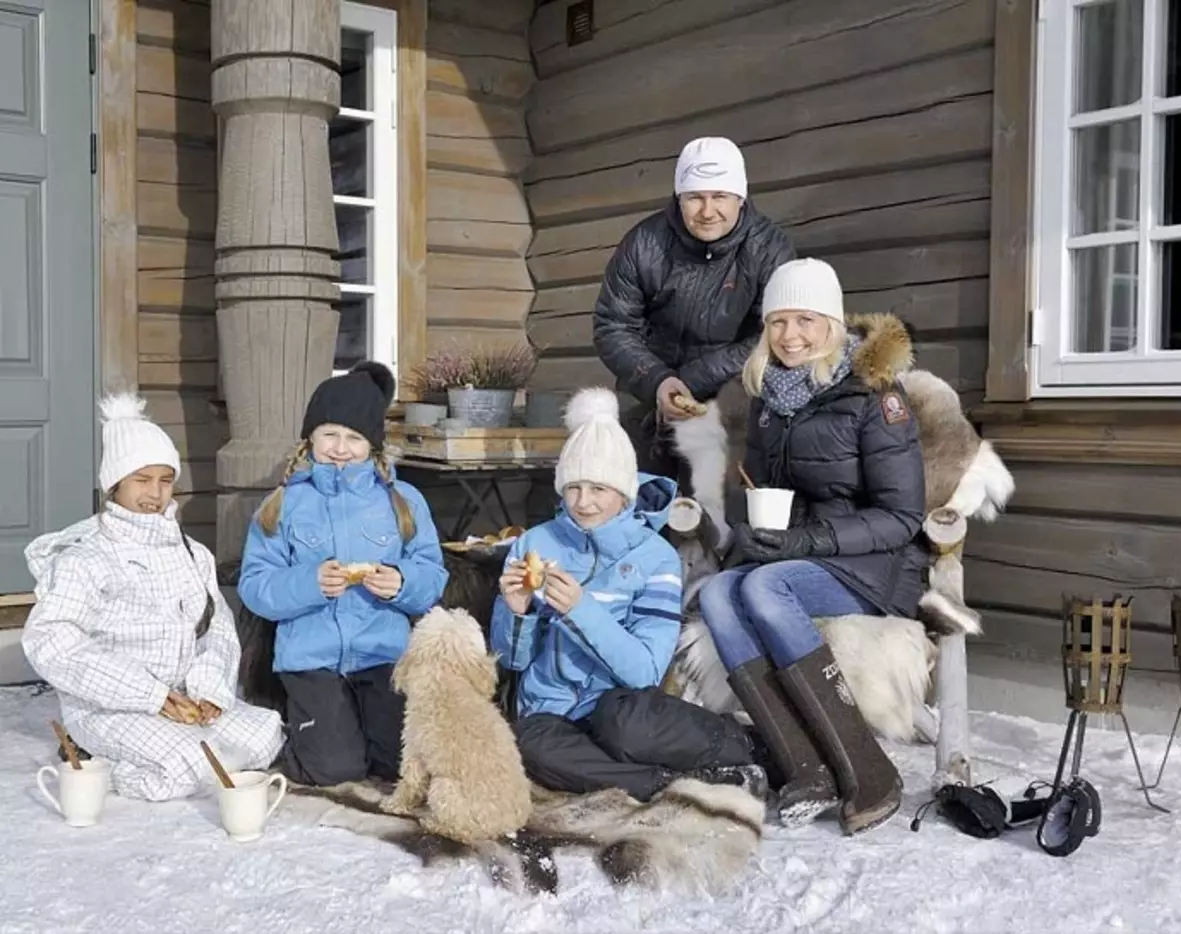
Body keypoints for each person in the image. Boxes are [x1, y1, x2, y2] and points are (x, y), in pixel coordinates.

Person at [698, 258, 927, 835]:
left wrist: (809, 538)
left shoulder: (875, 397)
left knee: (763, 585)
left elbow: (902, 516)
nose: (789, 336)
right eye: (777, 322)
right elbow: (762, 489)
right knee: (721, 591)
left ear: (831, 322)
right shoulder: (770, 398)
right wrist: (753, 531)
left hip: (872, 566)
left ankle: (868, 769)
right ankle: (804, 766)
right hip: (800, 557)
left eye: (804, 320)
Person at [491, 387, 765, 802]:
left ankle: (744, 747)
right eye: (574, 488)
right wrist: (515, 614)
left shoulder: (655, 557)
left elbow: (645, 672)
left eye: (598, 489)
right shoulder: (536, 543)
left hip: (620, 705)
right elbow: (512, 660)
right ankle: (663, 785)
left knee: (623, 725)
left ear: (624, 492)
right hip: (551, 711)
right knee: (528, 744)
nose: (584, 503)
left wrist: (581, 610)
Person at [22, 393, 283, 801]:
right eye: (141, 480)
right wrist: (151, 696)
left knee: (266, 736)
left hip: (182, 698)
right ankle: (97, 762)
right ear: (115, 485)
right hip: (110, 705)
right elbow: (52, 640)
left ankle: (161, 746)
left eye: (165, 480)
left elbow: (215, 626)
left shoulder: (191, 552)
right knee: (191, 765)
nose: (154, 494)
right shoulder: (87, 555)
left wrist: (209, 689)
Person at [237, 361, 448, 787]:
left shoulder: (402, 500)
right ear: (310, 437)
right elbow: (255, 585)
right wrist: (307, 584)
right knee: (335, 769)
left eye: (354, 438)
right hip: (311, 659)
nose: (339, 448)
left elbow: (432, 574)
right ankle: (300, 732)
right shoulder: (283, 504)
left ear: (372, 446)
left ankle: (351, 730)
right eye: (329, 434)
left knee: (399, 764)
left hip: (383, 655)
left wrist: (402, 583)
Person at [593, 136, 795, 482]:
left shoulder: (769, 249)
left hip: (731, 400)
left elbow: (774, 336)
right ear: (679, 197)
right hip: (647, 395)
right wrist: (658, 381)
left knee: (715, 517)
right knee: (638, 503)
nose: (707, 211)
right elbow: (613, 325)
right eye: (695, 197)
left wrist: (692, 379)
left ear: (740, 198)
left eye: (720, 196)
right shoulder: (644, 243)